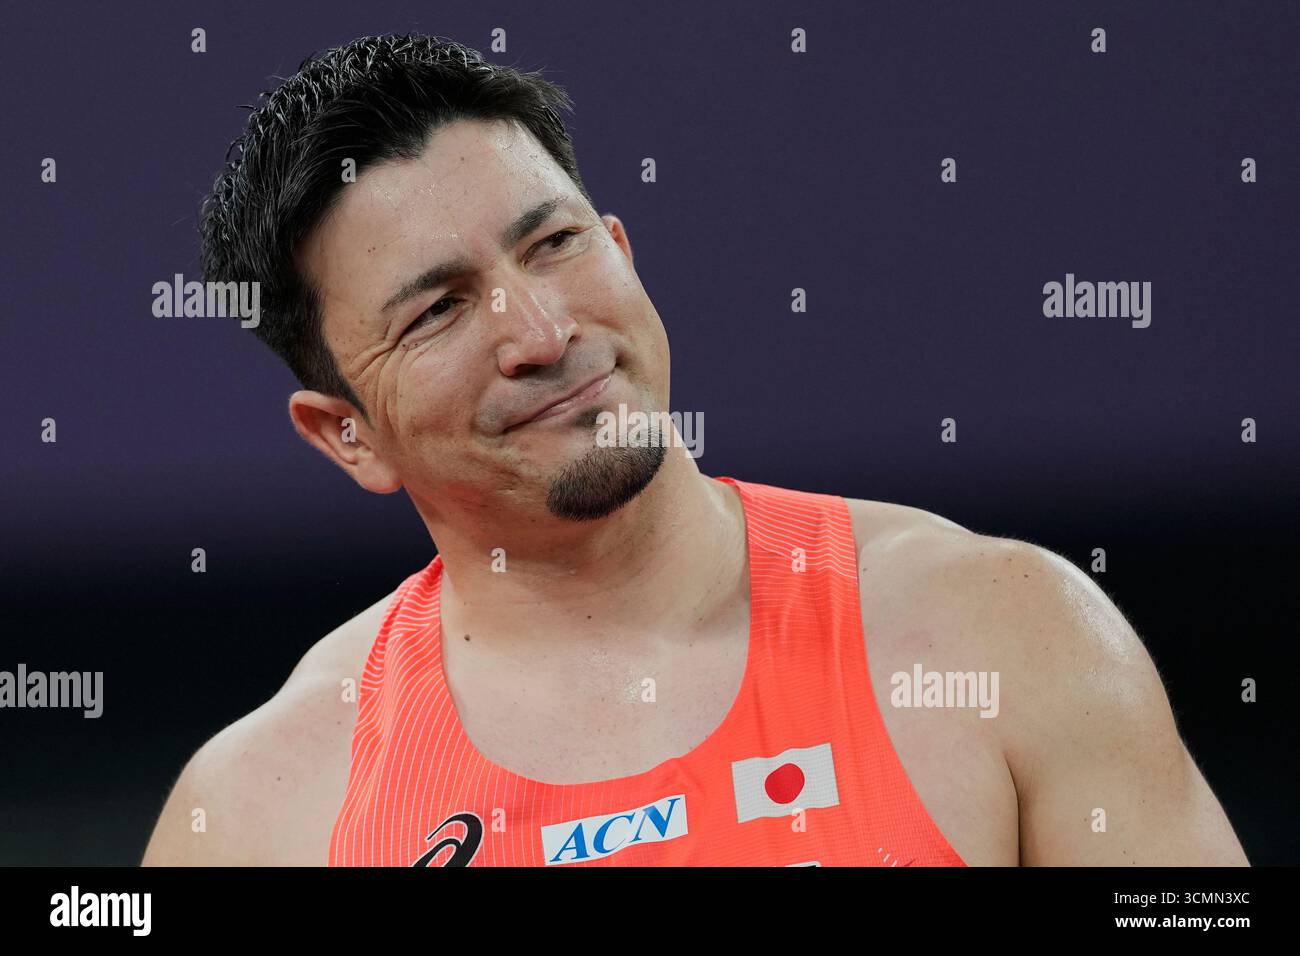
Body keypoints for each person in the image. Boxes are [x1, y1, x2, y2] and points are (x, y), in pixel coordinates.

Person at [142, 33, 1248, 866]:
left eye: (556, 243)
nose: (541, 333)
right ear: (347, 433)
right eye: (437, 311)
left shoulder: (1005, 628)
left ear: (621, 250)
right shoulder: (259, 813)